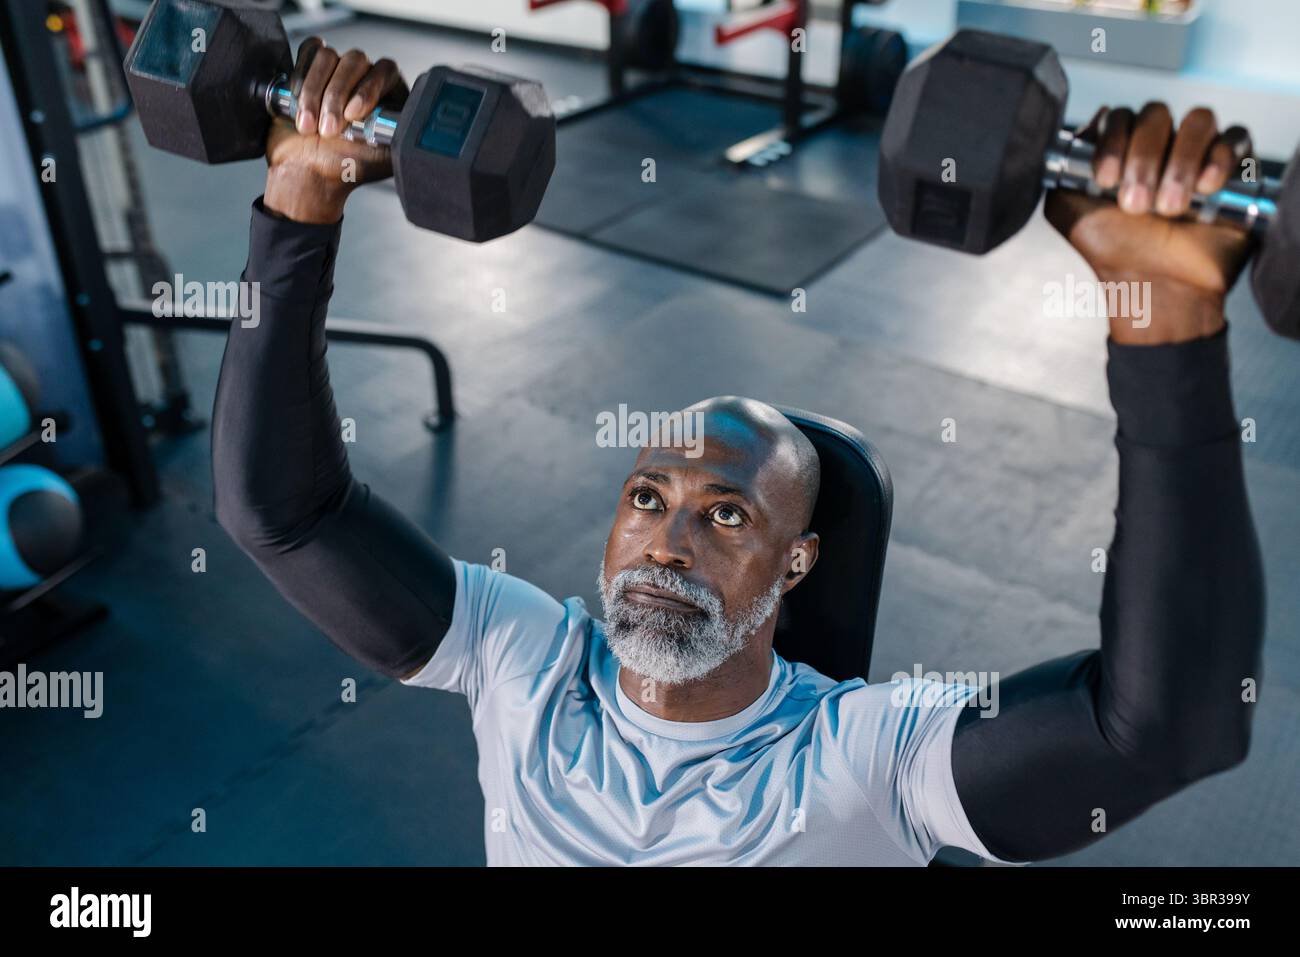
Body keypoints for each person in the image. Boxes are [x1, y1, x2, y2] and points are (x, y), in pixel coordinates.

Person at [212, 39, 1265, 865]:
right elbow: (284, 514)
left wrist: (1164, 321)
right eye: (647, 497)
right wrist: (299, 199)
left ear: (795, 565)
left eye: (725, 515)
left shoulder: (862, 760)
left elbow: (1165, 729)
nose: (667, 545)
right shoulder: (523, 662)